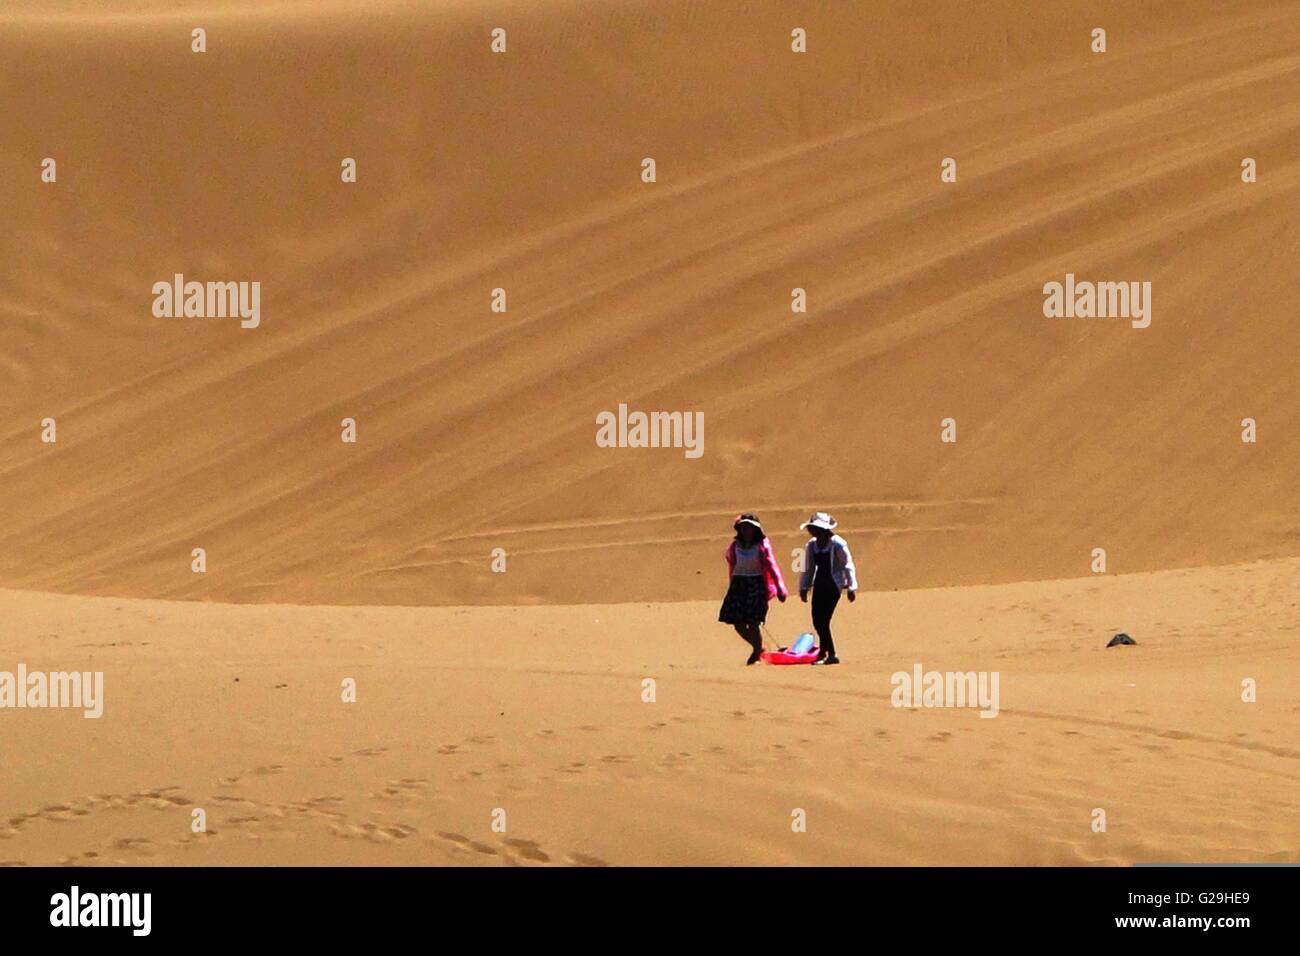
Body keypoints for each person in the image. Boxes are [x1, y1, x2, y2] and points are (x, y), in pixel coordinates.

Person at [718, 513, 788, 664]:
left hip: (756, 585)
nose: (746, 530)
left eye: (749, 527)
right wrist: (732, 586)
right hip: (739, 585)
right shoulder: (735, 546)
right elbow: (732, 566)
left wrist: (780, 588)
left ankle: (756, 651)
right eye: (743, 527)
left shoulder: (762, 545)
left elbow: (772, 566)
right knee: (738, 623)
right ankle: (758, 647)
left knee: (753, 622)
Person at [797, 512, 857, 665]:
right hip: (819, 584)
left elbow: (847, 565)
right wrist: (804, 586)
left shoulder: (837, 544)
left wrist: (851, 586)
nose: (811, 531)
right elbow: (809, 568)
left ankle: (831, 654)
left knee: (823, 620)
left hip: (833, 586)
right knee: (817, 619)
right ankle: (823, 653)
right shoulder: (812, 545)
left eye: (814, 528)